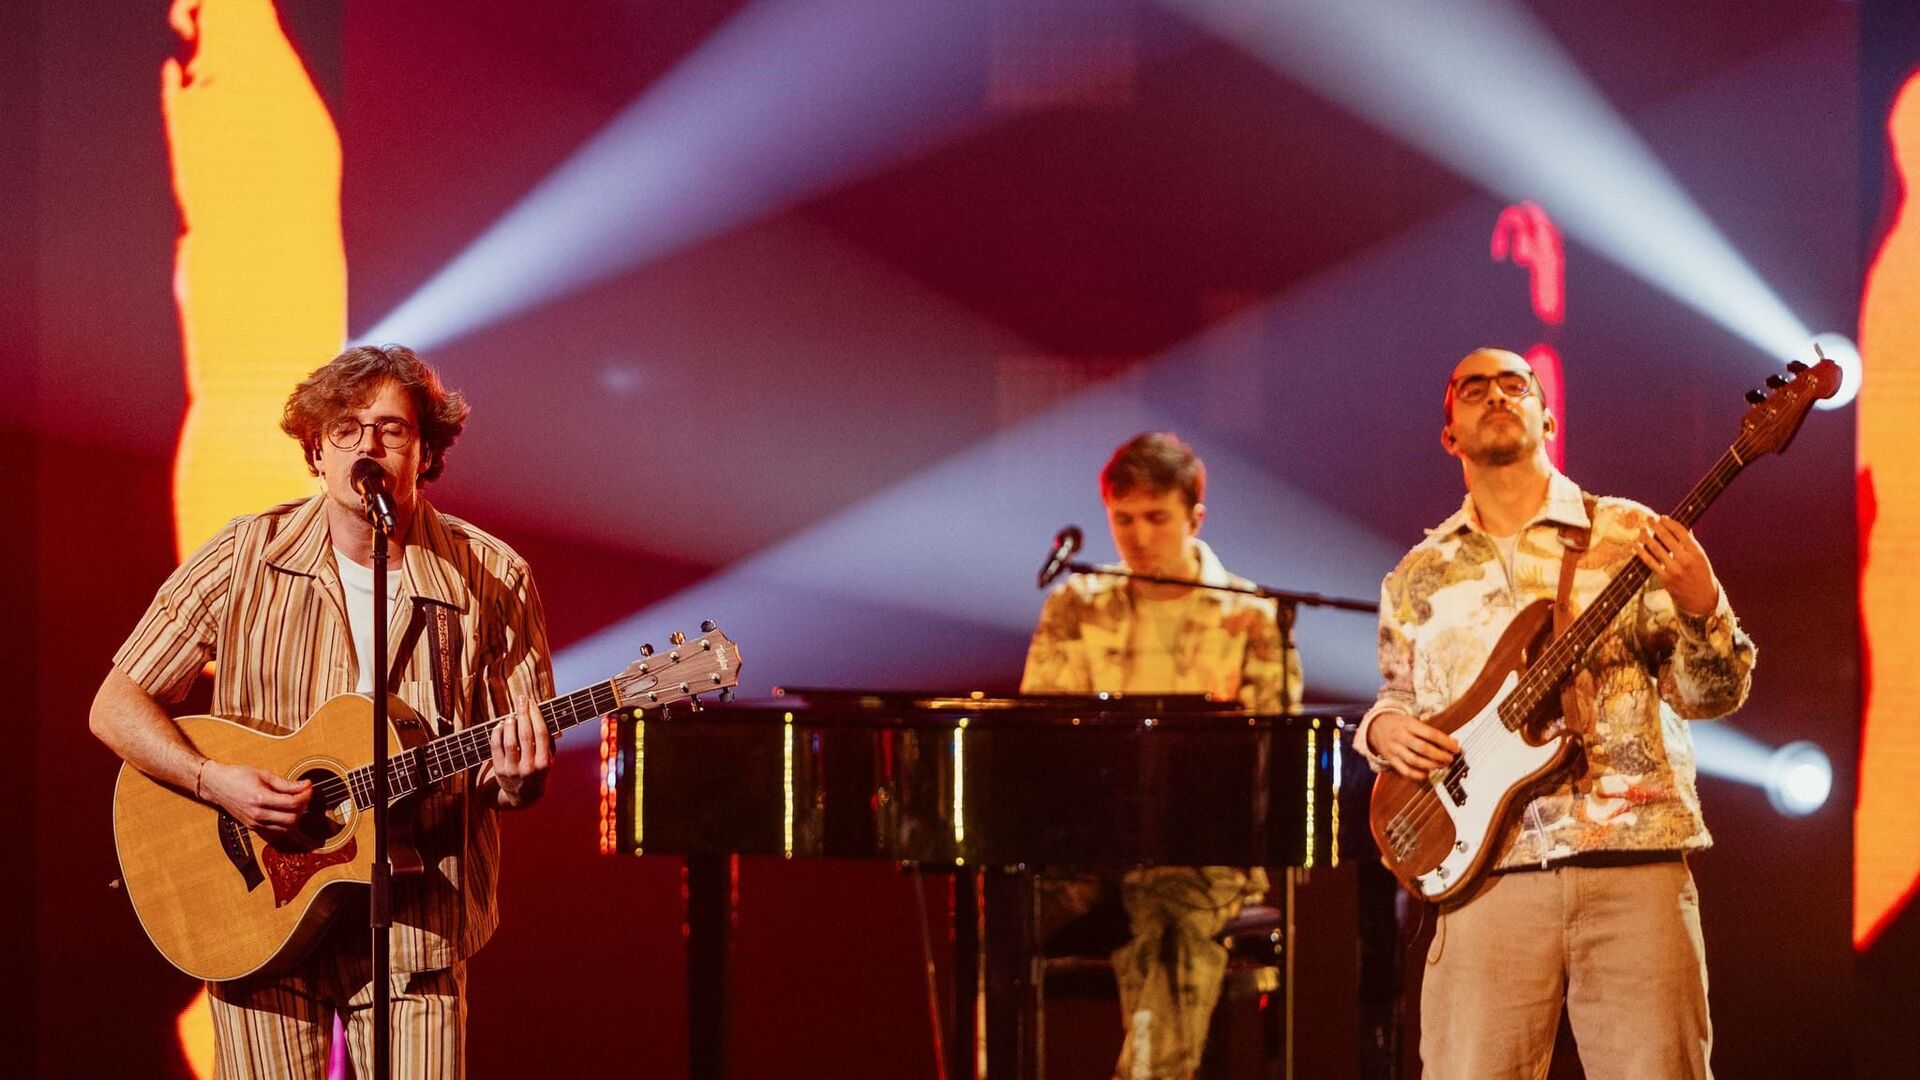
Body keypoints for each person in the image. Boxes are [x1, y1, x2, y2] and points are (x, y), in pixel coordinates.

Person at [90, 344, 555, 1079]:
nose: (367, 444)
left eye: (391, 429)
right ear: (315, 448)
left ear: (424, 452)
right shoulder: (245, 555)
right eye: (345, 426)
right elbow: (116, 705)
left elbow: (508, 777)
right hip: (257, 920)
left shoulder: (492, 578)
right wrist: (214, 782)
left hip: (414, 926)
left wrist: (520, 777)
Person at [1356, 348, 1756, 1079]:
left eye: (1516, 384)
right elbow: (1400, 697)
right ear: (1449, 435)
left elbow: (1710, 697)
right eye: (1472, 389)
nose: (1496, 395)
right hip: (1486, 872)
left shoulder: (1630, 534)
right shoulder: (1420, 573)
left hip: (1631, 864)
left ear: (1548, 415)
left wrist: (1705, 606)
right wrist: (1383, 731)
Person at [1022, 431, 1300, 1080]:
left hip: (1201, 852)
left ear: (1193, 518)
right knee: (999, 910)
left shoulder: (1251, 615)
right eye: (1123, 519)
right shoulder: (1076, 604)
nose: (1139, 536)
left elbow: (1275, 760)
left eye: (1156, 518)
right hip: (1089, 845)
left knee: (1172, 924)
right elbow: (1039, 736)